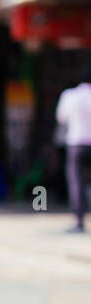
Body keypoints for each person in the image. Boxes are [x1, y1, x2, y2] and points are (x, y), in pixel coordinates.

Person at [56, 76, 91, 232]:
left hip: (76, 142)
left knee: (77, 181)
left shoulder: (70, 95)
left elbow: (61, 118)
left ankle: (79, 220)